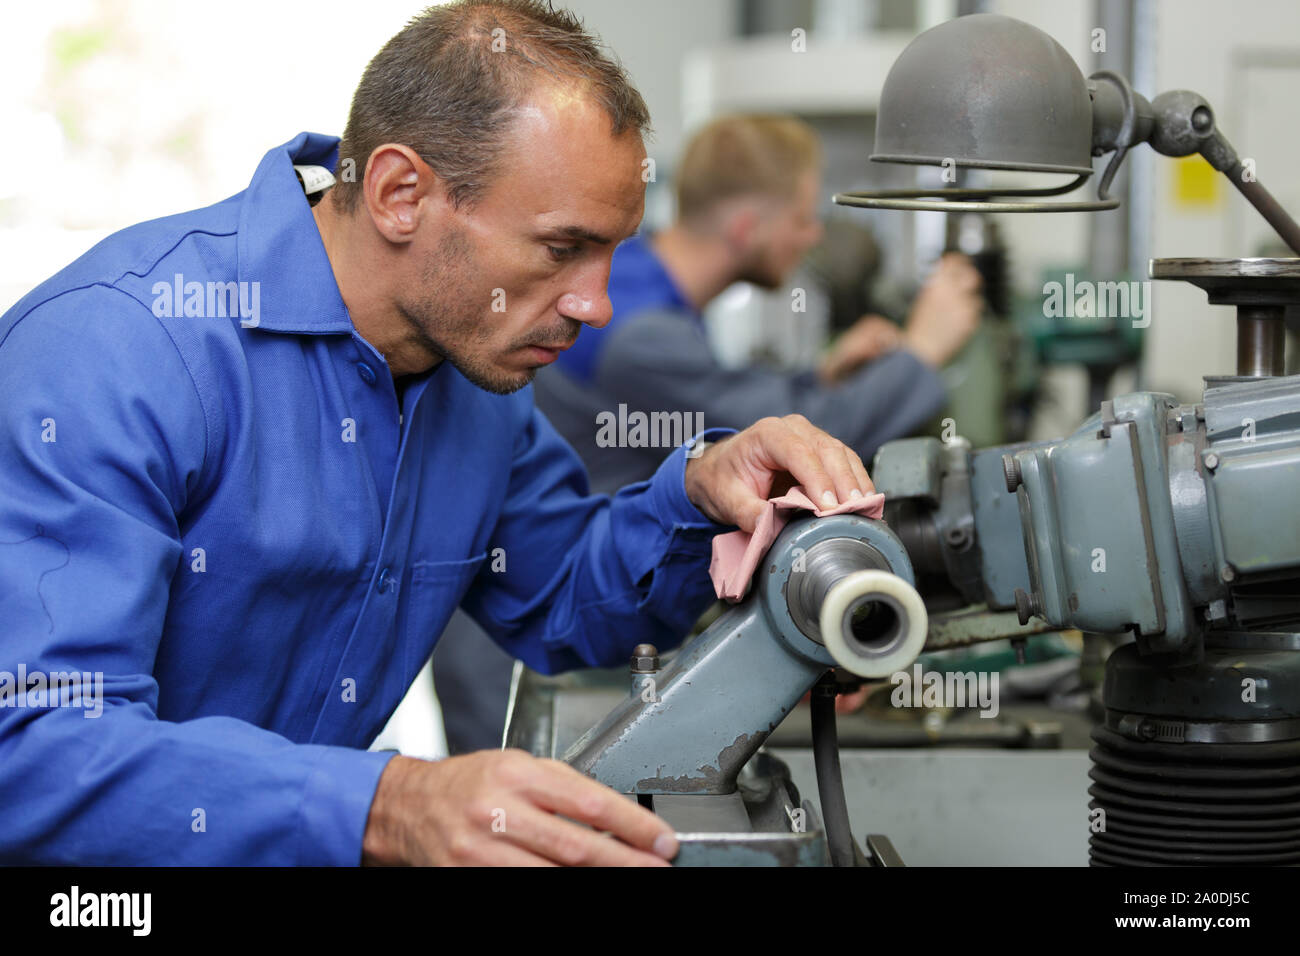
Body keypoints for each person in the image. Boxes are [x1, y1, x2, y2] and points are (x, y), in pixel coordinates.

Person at [0, 0, 874, 866]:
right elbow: (35, 753)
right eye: (559, 248)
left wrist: (699, 490)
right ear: (399, 194)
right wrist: (388, 804)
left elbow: (566, 592)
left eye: (609, 252)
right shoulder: (115, 354)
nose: (597, 304)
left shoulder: (475, 380)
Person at [533, 114, 984, 495]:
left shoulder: (634, 277)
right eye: (802, 219)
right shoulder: (643, 336)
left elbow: (723, 399)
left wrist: (822, 375)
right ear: (746, 228)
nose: (813, 237)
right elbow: (783, 449)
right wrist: (923, 350)